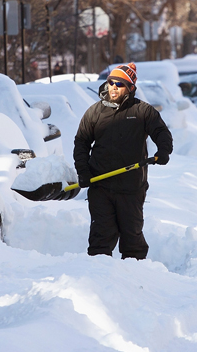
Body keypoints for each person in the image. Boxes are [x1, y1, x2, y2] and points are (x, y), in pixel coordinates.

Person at [74, 63, 173, 259]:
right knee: (100, 238)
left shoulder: (142, 111)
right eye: (111, 82)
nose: (113, 87)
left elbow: (161, 132)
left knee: (132, 238)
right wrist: (83, 171)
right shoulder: (95, 112)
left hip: (131, 187)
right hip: (100, 185)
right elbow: (81, 142)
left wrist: (163, 151)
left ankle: (134, 280)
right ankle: (100, 278)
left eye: (119, 84)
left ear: (130, 88)